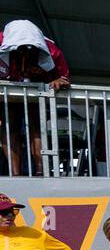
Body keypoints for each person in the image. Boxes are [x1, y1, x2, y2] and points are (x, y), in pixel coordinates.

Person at [0, 19, 71, 176]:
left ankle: (41, 171)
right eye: (20, 58)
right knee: (9, 122)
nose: (24, 66)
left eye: (30, 58)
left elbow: (63, 77)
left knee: (36, 123)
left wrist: (59, 80)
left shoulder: (52, 52)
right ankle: (15, 174)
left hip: (35, 92)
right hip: (7, 92)